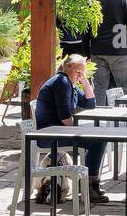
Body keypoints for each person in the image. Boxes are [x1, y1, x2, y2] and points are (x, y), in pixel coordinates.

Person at [34, 55, 109, 204]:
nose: (80, 74)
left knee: (99, 138)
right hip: (50, 134)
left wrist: (84, 81)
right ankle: (89, 186)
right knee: (98, 141)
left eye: (83, 71)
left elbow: (90, 103)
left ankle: (89, 184)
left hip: (59, 131)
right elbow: (65, 118)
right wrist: (81, 133)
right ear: (67, 67)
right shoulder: (61, 82)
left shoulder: (70, 84)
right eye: (78, 71)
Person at [90, 0, 127, 106]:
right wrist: (126, 44)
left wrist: (87, 52)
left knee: (99, 88)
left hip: (97, 50)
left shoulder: (93, 0)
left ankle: (97, 121)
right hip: (119, 48)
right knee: (126, 88)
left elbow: (86, 30)